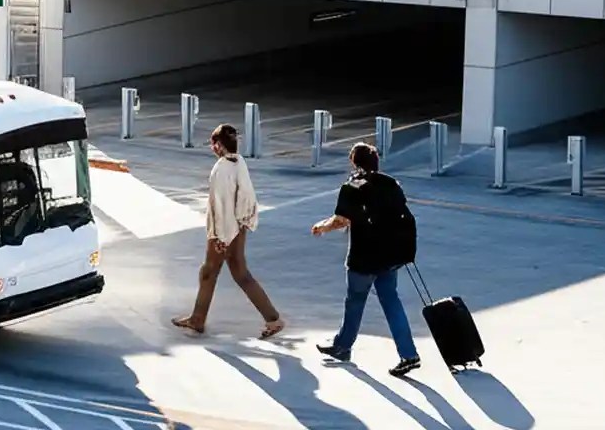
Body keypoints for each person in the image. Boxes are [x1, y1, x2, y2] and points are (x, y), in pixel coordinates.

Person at [311, 142, 421, 377]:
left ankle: (343, 346)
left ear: (354, 162)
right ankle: (408, 353)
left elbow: (341, 220)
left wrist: (322, 227)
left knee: (355, 301)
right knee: (392, 302)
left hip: (363, 257)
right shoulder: (391, 184)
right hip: (389, 256)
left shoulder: (351, 186)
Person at [172, 124, 285, 339]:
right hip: (238, 227)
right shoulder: (239, 162)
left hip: (225, 230)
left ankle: (198, 319)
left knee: (209, 272)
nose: (212, 148)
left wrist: (221, 238)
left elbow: (221, 206)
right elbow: (247, 196)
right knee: (238, 274)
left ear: (219, 145)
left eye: (213, 143)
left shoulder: (221, 169)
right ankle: (272, 318)